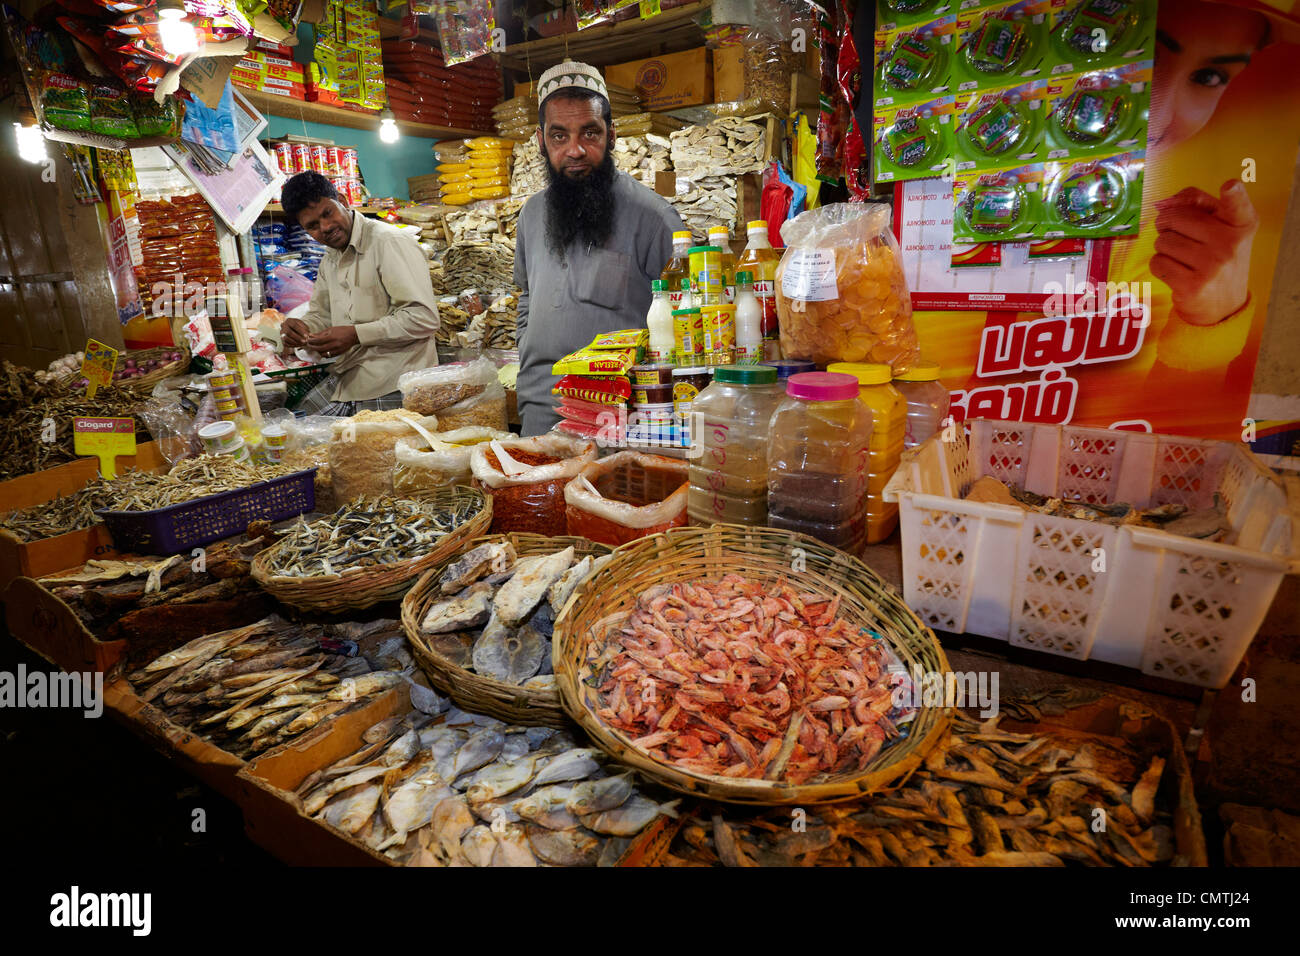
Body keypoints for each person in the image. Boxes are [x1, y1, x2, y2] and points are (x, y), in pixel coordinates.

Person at [513, 60, 687, 436]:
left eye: (589, 133)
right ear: (541, 141)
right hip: (541, 408)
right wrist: (527, 345)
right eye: (559, 136)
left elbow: (687, 319)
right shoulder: (530, 214)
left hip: (618, 416)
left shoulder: (654, 218)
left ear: (611, 135)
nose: (574, 150)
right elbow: (527, 296)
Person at [279, 171, 440, 415]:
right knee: (294, 427)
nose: (325, 227)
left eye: (327, 213)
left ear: (342, 201)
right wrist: (301, 329)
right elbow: (322, 315)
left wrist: (356, 334)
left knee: (334, 445)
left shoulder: (388, 242)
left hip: (396, 382)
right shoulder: (329, 260)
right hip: (350, 377)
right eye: (312, 226)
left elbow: (424, 317)